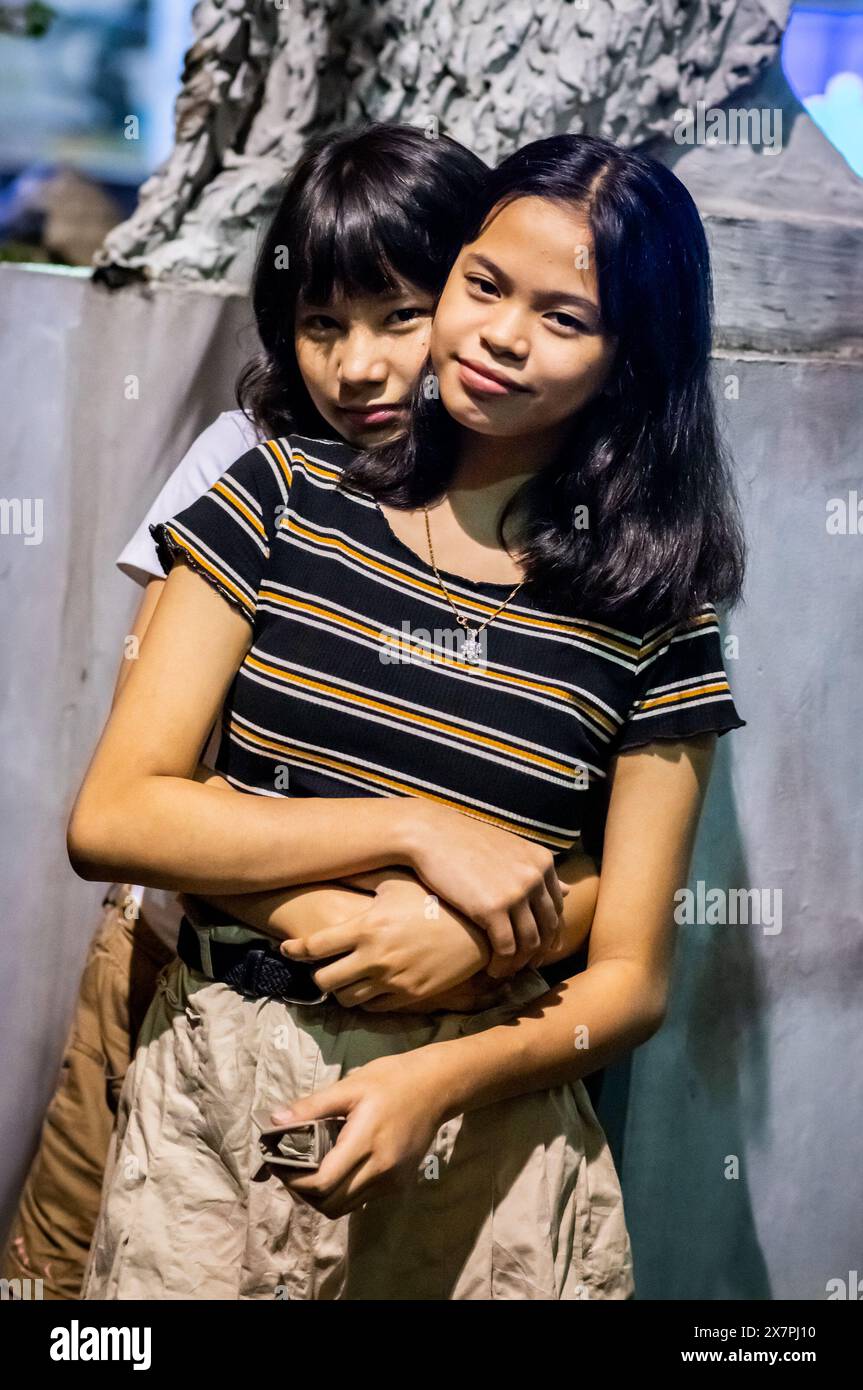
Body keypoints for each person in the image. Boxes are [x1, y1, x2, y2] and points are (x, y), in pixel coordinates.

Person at [68, 131, 746, 1300]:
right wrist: (412, 825)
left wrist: (435, 1080)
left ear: (633, 358)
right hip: (226, 1095)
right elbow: (117, 818)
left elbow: (630, 976)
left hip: (489, 1143)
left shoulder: (657, 617)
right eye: (481, 286)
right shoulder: (277, 494)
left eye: (564, 317)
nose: (498, 335)